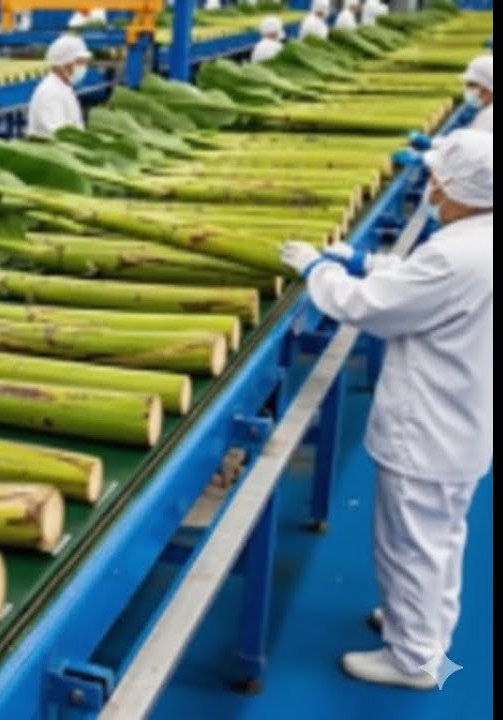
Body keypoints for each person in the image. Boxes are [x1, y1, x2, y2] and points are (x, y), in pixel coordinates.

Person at [278, 129, 493, 690]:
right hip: (463, 423)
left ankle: (414, 659)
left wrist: (318, 272)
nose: (433, 191)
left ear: (468, 191)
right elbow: (416, 284)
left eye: (440, 184)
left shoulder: (456, 253)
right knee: (442, 537)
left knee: (410, 544)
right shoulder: (478, 240)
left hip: (429, 427)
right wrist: (361, 258)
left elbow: (371, 308)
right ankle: (423, 628)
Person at [26, 35, 92, 140]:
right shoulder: (50, 92)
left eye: (84, 62)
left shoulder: (64, 87)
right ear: (64, 64)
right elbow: (58, 136)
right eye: (79, 62)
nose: (83, 67)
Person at [462, 54, 493, 133]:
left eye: (471, 85)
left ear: (487, 87)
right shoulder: (482, 113)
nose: (466, 89)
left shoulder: (488, 117)